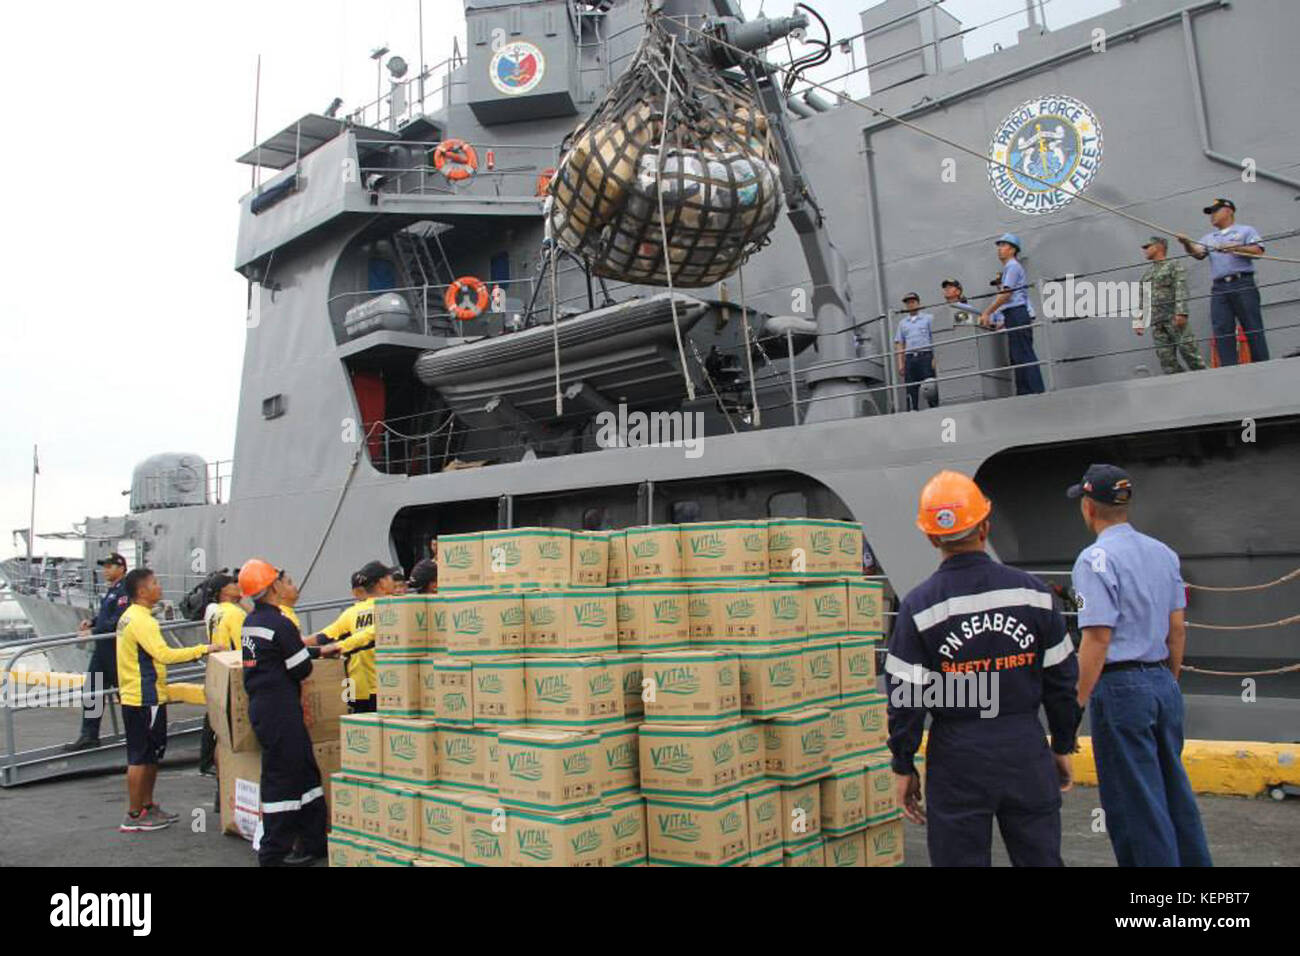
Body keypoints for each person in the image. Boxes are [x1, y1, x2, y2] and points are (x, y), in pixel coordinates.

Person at [887, 471, 1079, 867]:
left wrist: (903, 764)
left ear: (931, 538)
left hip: (957, 757)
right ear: (985, 526)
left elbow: (906, 697)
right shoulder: (1034, 594)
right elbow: (1062, 681)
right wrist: (1062, 744)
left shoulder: (919, 607)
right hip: (1024, 748)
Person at [1067, 464, 1212, 867]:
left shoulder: (1093, 560)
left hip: (1120, 688)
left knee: (1135, 808)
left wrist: (1074, 705)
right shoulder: (1163, 553)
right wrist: (1167, 683)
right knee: (1174, 795)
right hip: (1163, 681)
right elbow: (1177, 630)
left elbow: (1097, 638)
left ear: (1088, 507)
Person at [116, 568, 222, 832]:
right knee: (140, 757)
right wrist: (204, 649)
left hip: (141, 695)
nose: (159, 587)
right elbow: (164, 655)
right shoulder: (142, 621)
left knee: (150, 754)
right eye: (154, 583)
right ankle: (134, 814)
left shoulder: (130, 617)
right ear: (142, 591)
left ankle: (147, 806)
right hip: (144, 697)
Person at [237, 559, 328, 866]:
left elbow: (277, 655)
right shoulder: (281, 624)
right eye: (284, 580)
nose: (290, 585)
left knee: (305, 770)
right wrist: (312, 654)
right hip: (281, 710)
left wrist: (315, 650)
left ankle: (314, 841)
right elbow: (301, 668)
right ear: (273, 586)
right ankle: (273, 853)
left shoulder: (251, 622)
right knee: (282, 778)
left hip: (265, 706)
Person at [1176, 198, 1268, 365]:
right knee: (1221, 327)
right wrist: (1187, 243)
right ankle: (1229, 367)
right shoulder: (1209, 238)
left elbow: (1258, 251)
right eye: (1210, 213)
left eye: (1215, 211)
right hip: (1219, 287)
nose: (1212, 215)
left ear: (1229, 211)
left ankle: (1262, 363)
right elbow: (1198, 253)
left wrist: (1234, 247)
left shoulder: (1245, 230)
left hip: (1242, 283)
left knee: (1252, 325)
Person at [303, 561, 397, 712]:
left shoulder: (351, 613)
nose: (394, 580)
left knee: (360, 724)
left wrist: (299, 642)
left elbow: (324, 636)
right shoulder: (394, 607)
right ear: (382, 583)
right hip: (389, 684)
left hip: (356, 688)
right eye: (390, 577)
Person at [64, 553, 130, 752]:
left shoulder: (125, 589)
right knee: (92, 690)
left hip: (116, 651)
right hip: (103, 650)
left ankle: (137, 732)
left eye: (110, 566)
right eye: (104, 566)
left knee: (125, 694)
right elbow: (106, 615)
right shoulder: (112, 590)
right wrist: (92, 622)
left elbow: (120, 620)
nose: (105, 570)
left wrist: (93, 631)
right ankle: (89, 735)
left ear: (121, 568)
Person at [979, 234, 1046, 395]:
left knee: (1024, 353)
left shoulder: (1012, 266)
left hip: (1016, 313)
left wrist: (987, 312)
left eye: (1003, 245)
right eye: (999, 246)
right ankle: (1024, 391)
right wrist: (1003, 322)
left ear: (1013, 249)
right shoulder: (1010, 268)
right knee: (1018, 355)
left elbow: (1006, 294)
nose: (999, 249)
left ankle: (1035, 390)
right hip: (1013, 314)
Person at [1137, 237, 1205, 374]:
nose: (1145, 250)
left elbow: (1180, 288)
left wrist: (1181, 312)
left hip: (1173, 318)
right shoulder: (1147, 275)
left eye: (1148, 246)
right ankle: (1182, 383)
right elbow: (1144, 299)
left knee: (1190, 354)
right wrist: (1140, 321)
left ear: (1158, 247)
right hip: (1158, 323)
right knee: (1166, 360)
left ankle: (1206, 379)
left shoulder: (1174, 266)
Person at [893, 293, 938, 411]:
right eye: (908, 302)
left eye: (913, 302)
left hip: (926, 356)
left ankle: (935, 409)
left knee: (930, 385)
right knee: (911, 387)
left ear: (918, 303)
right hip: (910, 358)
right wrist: (901, 364)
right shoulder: (903, 323)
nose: (910, 304)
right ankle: (913, 410)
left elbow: (935, 338)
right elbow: (900, 343)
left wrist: (935, 358)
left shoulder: (928, 318)